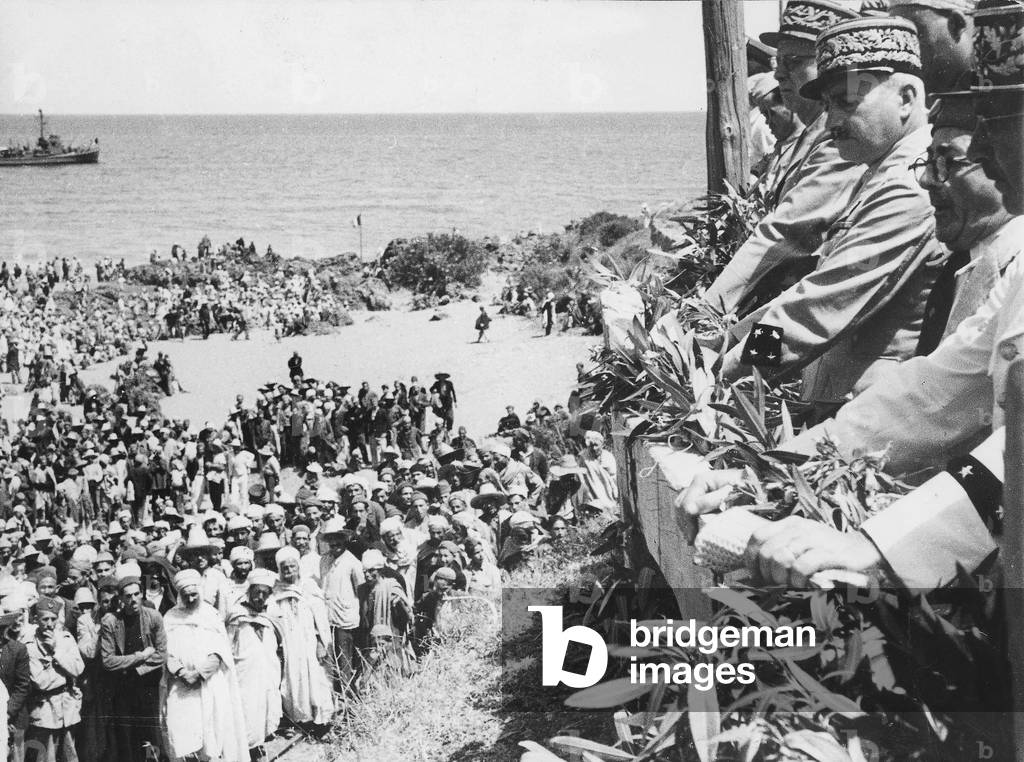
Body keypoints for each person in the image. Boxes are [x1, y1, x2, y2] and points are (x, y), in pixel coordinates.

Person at [719, 17, 942, 422]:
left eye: (847, 101)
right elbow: (811, 293)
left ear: (906, 98)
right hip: (848, 409)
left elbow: (818, 307)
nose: (833, 121)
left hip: (876, 424)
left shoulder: (908, 187)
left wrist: (725, 369)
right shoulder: (877, 172)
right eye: (827, 105)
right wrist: (725, 338)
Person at [703, 0, 864, 313]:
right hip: (782, 309)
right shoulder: (811, 133)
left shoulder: (837, 142)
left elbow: (784, 232)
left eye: (793, 62)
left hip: (800, 315)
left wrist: (706, 309)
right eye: (779, 63)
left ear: (829, 67)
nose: (778, 74)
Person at [161, 568, 248, 762]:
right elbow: (165, 651)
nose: (191, 599)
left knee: (212, 728)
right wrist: (182, 672)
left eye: (194, 594)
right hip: (181, 684)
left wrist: (199, 673)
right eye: (186, 595)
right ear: (179, 595)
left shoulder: (210, 614)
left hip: (208, 682)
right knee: (184, 729)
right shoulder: (170, 617)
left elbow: (220, 651)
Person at [98, 576, 166, 762]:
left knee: (151, 735)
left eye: (137, 594)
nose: (133, 599)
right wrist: (141, 656)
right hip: (122, 688)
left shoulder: (153, 617)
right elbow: (108, 660)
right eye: (128, 596)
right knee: (125, 738)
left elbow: (161, 654)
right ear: (120, 598)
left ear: (142, 594)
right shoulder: (110, 621)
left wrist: (136, 670)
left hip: (147, 687)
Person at [267, 548, 334, 734]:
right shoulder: (277, 591)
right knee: (296, 679)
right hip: (291, 645)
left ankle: (323, 721)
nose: (289, 570)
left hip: (311, 643)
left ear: (299, 566)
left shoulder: (309, 587)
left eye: (292, 566)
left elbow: (321, 620)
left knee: (317, 678)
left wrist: (321, 643)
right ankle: (304, 720)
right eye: (285, 567)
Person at [226, 569, 282, 762]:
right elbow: (228, 643)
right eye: (256, 592)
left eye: (264, 593)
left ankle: (259, 745)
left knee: (266, 707)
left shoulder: (272, 613)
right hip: (244, 671)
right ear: (249, 591)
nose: (259, 597)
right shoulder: (236, 613)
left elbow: (280, 638)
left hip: (267, 668)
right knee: (247, 708)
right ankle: (246, 750)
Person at [24, 597, 84, 762]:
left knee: (70, 755)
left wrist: (56, 651)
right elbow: (41, 682)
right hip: (45, 709)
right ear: (36, 620)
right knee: (47, 756)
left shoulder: (65, 638)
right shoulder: (30, 645)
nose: (50, 624)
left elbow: (78, 669)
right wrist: (66, 674)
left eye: (53, 619)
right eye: (45, 619)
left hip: (68, 708)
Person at [318, 518, 363, 693]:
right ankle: (334, 699)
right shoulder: (324, 560)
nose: (335, 543)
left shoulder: (352, 563)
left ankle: (348, 698)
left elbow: (360, 591)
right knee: (330, 661)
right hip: (326, 616)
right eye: (331, 539)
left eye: (338, 538)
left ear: (344, 539)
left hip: (345, 617)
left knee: (345, 660)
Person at [0, 607, 31, 762]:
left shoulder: (17, 649)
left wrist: (6, 714)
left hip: (15, 716)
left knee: (16, 756)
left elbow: (22, 685)